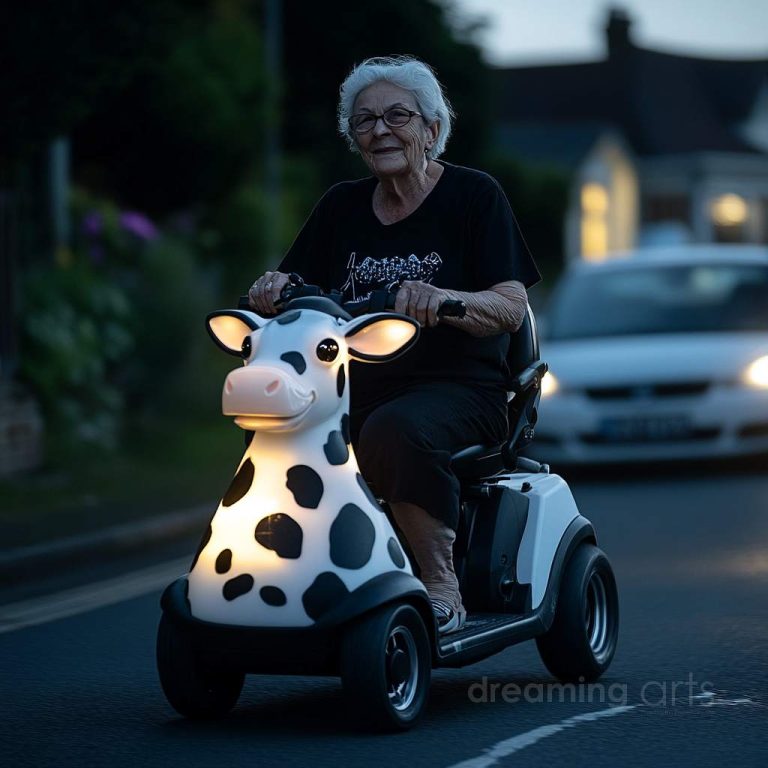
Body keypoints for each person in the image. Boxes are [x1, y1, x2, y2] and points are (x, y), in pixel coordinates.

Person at [249, 56, 540, 634]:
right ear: (353, 137)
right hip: (350, 386)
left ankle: (440, 585)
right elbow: (295, 289)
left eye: (397, 116)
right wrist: (271, 288)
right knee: (275, 427)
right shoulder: (341, 205)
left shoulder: (473, 196)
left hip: (461, 392)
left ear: (431, 129)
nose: (380, 130)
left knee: (394, 430)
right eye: (364, 121)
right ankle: (275, 578)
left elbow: (510, 306)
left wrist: (446, 299)